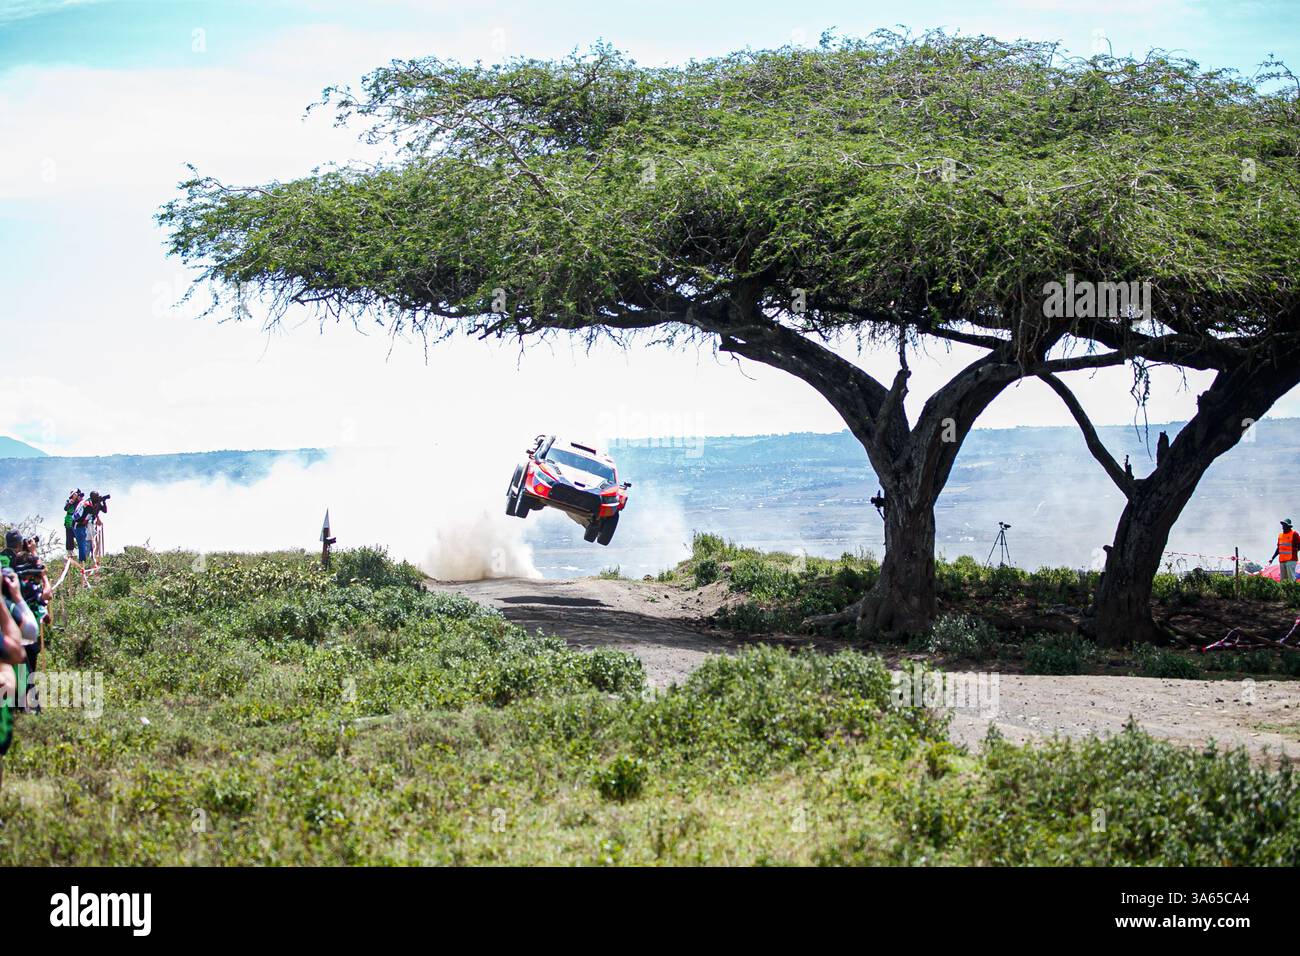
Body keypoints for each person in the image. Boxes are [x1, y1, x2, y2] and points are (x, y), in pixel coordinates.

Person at [1271, 518, 1300, 584]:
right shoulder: (1280, 535)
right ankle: (1285, 593)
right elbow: (1278, 548)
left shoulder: (1294, 534)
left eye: (1285, 525)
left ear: (1289, 526)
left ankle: (1293, 592)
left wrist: (1296, 551)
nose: (1283, 527)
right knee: (1283, 579)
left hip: (1291, 560)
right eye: (1283, 525)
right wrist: (1272, 558)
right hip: (1282, 560)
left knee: (1291, 578)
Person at [63, 490, 81, 559]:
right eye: (74, 494)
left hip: (76, 521)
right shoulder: (68, 501)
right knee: (69, 537)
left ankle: (80, 552)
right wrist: (70, 503)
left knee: (78, 536)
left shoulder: (78, 501)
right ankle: (70, 553)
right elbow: (65, 508)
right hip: (68, 521)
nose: (75, 496)